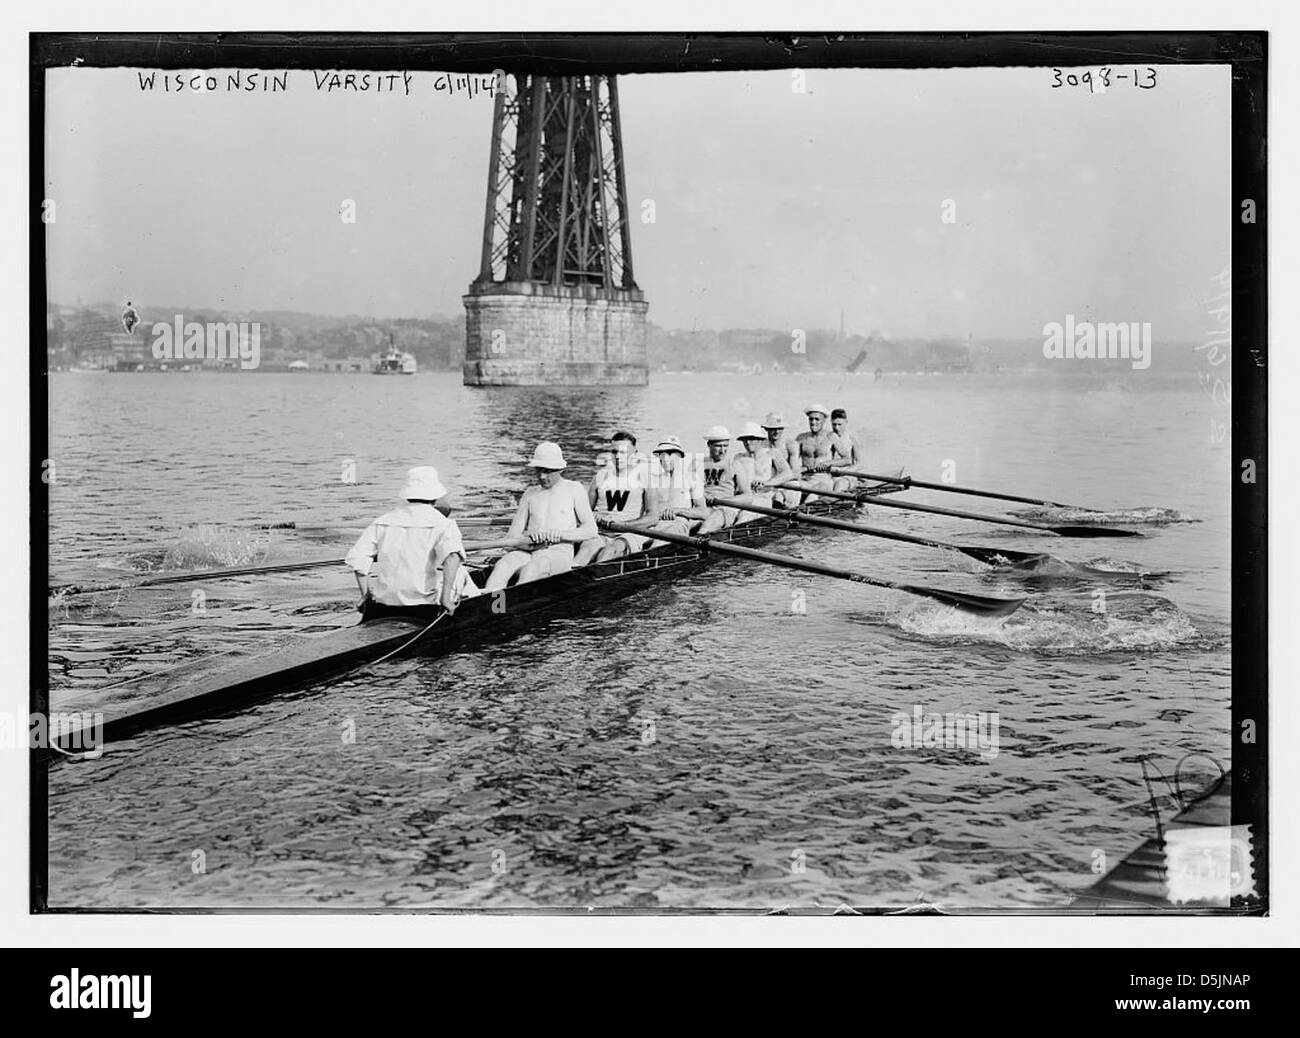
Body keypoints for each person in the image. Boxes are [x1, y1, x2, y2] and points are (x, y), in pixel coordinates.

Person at [345, 465, 477, 616]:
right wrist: (445, 599)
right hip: (425, 606)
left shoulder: (382, 521)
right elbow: (452, 557)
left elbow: (358, 559)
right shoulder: (444, 524)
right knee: (460, 571)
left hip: (384, 603)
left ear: (408, 495)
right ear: (435, 496)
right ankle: (481, 603)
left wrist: (366, 596)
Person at [484, 442, 597, 590]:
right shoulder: (530, 493)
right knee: (503, 564)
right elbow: (512, 537)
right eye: (538, 470)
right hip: (528, 550)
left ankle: (515, 606)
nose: (542, 476)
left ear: (560, 469)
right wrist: (527, 542)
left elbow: (591, 530)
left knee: (533, 568)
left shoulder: (574, 489)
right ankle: (493, 608)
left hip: (558, 553)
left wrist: (561, 535)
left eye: (547, 471)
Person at [574, 430, 653, 565]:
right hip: (601, 532)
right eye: (614, 452)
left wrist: (624, 525)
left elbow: (653, 517)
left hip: (630, 534)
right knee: (586, 550)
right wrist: (592, 516)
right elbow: (584, 514)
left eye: (623, 453)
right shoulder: (600, 477)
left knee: (610, 551)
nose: (618, 457)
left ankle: (595, 579)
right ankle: (569, 578)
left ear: (634, 454)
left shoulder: (645, 478)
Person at [696, 425, 753, 532]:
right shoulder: (699, 464)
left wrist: (721, 501)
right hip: (703, 507)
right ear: (709, 445)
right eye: (718, 446)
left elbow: (748, 496)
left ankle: (699, 539)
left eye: (725, 446)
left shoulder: (735, 465)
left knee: (709, 524)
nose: (723, 450)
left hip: (725, 508)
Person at [734, 420, 792, 510]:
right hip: (743, 499)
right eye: (745, 439)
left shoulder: (772, 453)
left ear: (759, 439)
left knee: (744, 517)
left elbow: (787, 473)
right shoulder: (738, 458)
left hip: (764, 498)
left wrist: (767, 483)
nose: (748, 442)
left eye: (751, 438)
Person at [794, 403, 844, 500]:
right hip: (805, 479)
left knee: (812, 497)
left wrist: (827, 464)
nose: (813, 422)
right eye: (811, 419)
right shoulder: (801, 438)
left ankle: (804, 509)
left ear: (824, 420)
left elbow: (847, 459)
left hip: (823, 480)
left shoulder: (831, 436)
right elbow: (792, 460)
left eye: (817, 419)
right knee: (786, 491)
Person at [760, 412, 802, 507]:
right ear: (766, 429)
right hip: (769, 484)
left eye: (779, 428)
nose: (777, 432)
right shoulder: (761, 445)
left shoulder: (790, 444)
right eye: (773, 429)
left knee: (794, 486)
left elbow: (795, 474)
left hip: (788, 483)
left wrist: (772, 482)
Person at [828, 408, 861, 492]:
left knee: (839, 485)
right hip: (830, 475)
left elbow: (859, 463)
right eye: (834, 424)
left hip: (847, 476)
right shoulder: (828, 437)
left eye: (840, 424)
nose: (837, 428)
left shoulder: (852, 439)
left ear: (846, 422)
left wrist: (844, 471)